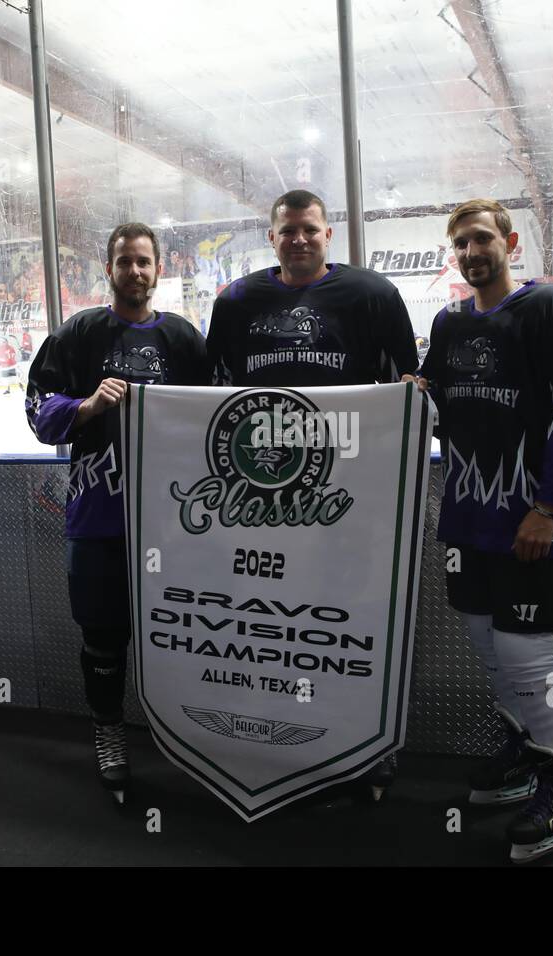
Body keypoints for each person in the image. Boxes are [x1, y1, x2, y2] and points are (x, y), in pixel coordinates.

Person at [205, 188, 419, 799]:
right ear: (270, 237)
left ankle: (368, 745)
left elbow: (406, 384)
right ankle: (283, 732)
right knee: (275, 620)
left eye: (310, 230)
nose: (299, 239)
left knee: (350, 619)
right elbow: (210, 394)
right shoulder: (238, 299)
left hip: (345, 498)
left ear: (330, 234)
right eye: (287, 231)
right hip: (263, 496)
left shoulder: (372, 294)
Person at [417, 198, 553, 863]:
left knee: (530, 661)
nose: (472, 252)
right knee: (490, 646)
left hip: (533, 523)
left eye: (481, 239)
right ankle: (525, 756)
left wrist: (549, 509)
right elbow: (443, 409)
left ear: (509, 240)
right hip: (470, 521)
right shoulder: (448, 324)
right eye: (461, 244)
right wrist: (412, 397)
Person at [25, 222, 208, 804]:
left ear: (159, 269)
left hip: (173, 527)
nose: (135, 271)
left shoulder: (183, 339)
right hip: (98, 525)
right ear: (109, 269)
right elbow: (37, 408)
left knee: (178, 637)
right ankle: (109, 733)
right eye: (124, 262)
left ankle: (183, 735)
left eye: (144, 262)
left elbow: (219, 414)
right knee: (103, 638)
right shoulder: (79, 333)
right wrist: (84, 406)